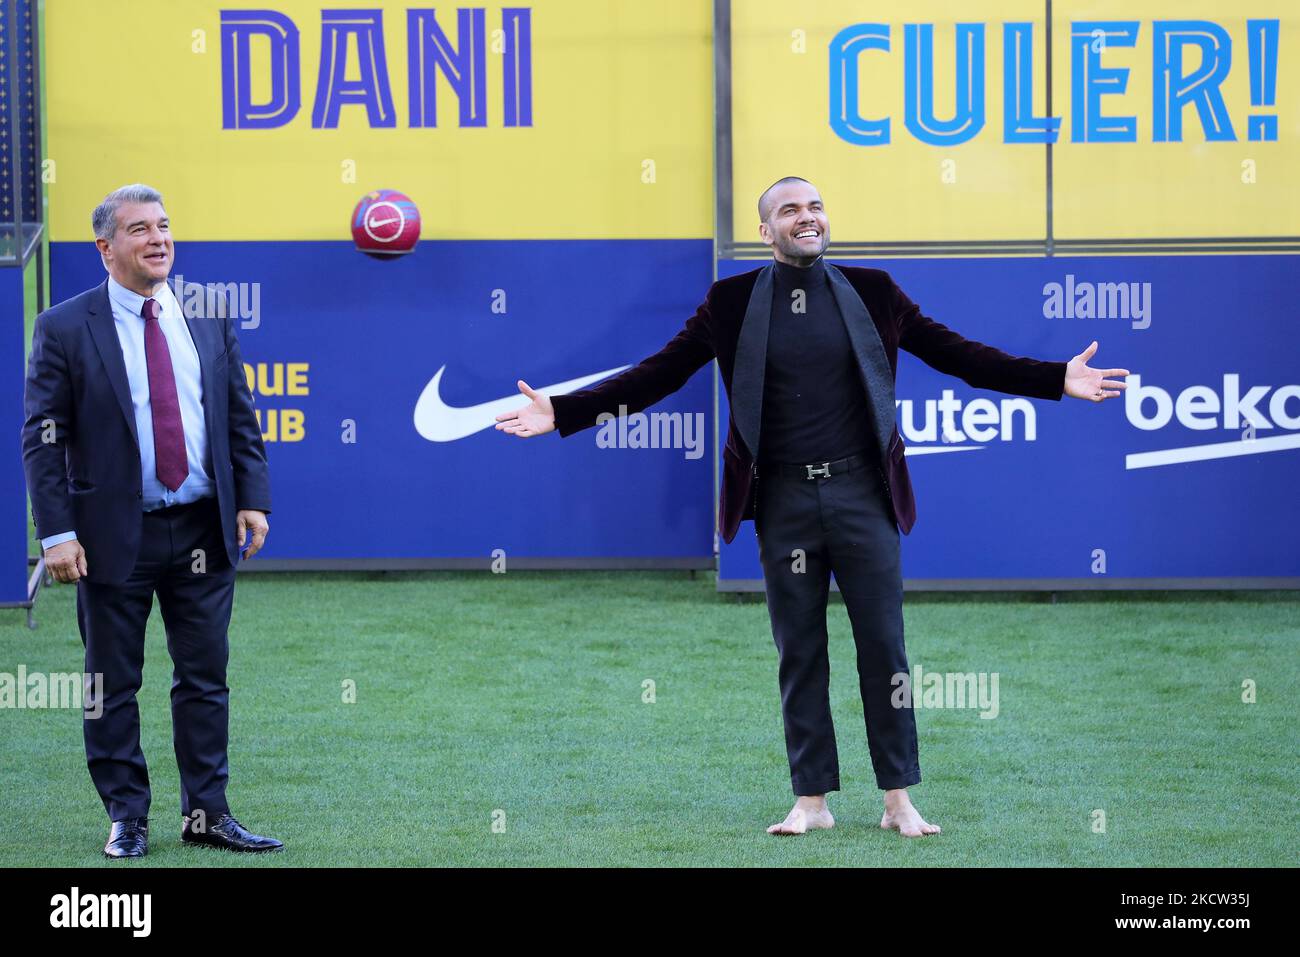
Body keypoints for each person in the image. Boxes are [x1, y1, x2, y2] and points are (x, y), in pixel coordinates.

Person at [494, 176, 1129, 837]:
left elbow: (962, 356)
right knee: (799, 650)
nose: (808, 217)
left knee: (885, 648)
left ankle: (897, 800)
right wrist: (564, 411)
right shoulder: (731, 303)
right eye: (790, 210)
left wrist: (1056, 379)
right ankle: (812, 801)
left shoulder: (874, 293)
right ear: (765, 231)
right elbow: (659, 373)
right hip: (784, 500)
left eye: (816, 206)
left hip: (863, 496)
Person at [21, 183, 283, 856]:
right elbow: (43, 437)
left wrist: (252, 497)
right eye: (140, 229)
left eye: (164, 225)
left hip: (202, 526)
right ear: (105, 248)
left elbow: (236, 417)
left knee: (205, 676)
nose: (159, 238)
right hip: (112, 535)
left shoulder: (208, 315)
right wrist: (56, 533)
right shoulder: (64, 327)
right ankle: (127, 816)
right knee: (111, 681)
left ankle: (207, 815)